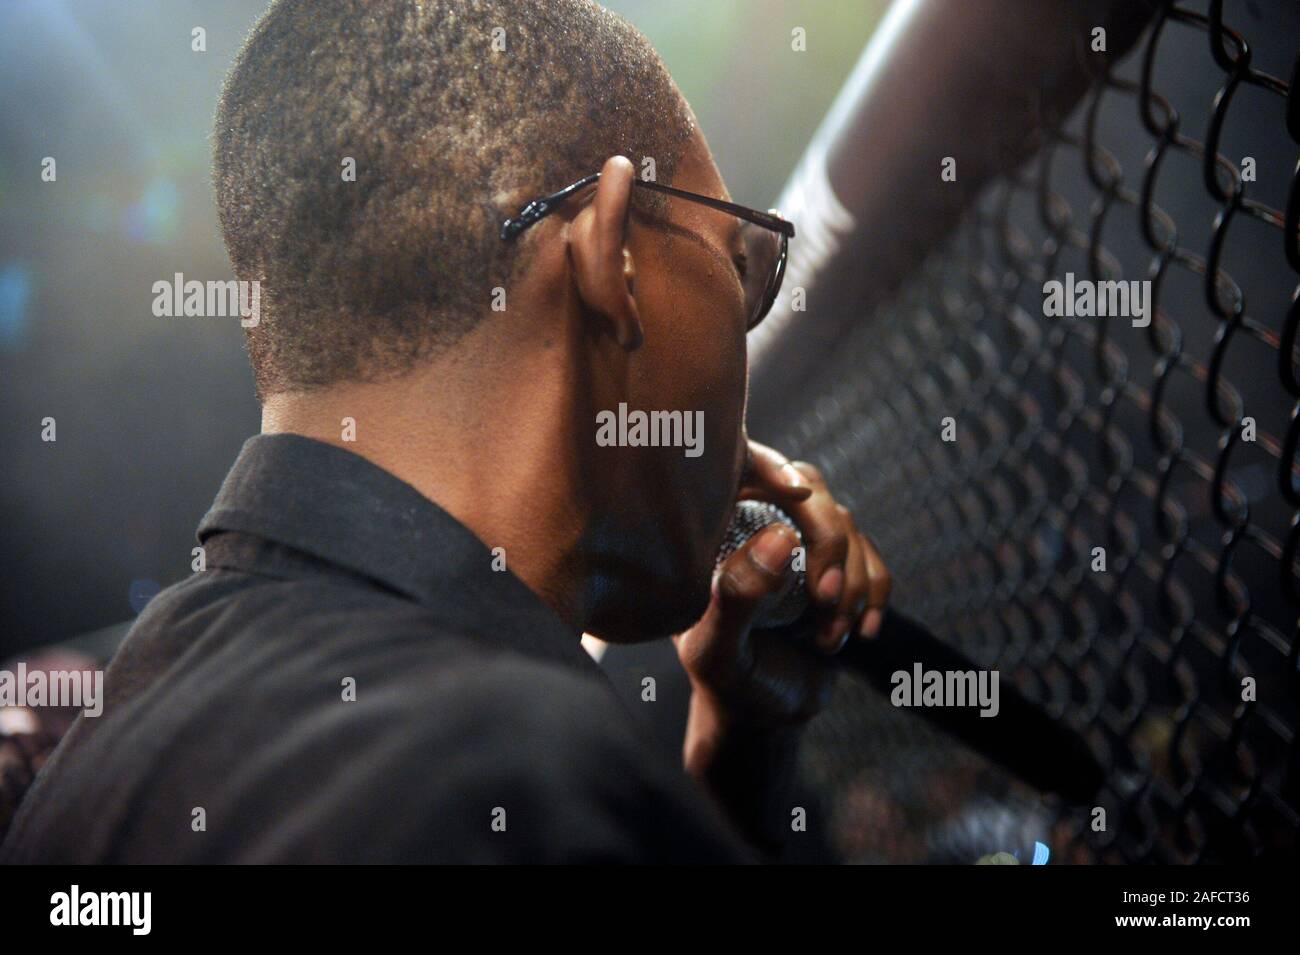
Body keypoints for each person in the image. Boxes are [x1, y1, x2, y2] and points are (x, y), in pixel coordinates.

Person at [1, 0, 889, 863]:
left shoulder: (103, 739)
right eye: (740, 260)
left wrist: (734, 770)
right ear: (610, 258)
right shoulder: (533, 784)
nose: (742, 317)